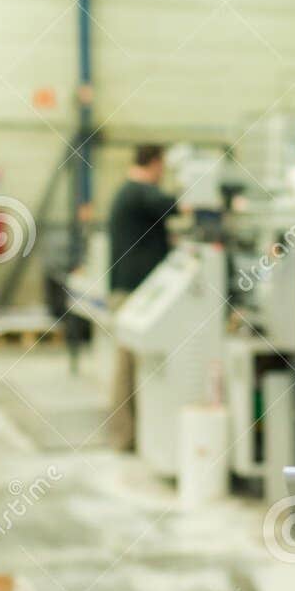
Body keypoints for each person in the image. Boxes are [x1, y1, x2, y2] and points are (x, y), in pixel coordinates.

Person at [106, 144, 177, 451]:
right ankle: (123, 437)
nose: (164, 174)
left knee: (130, 365)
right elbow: (171, 205)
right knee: (127, 364)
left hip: (132, 292)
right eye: (163, 166)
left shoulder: (128, 193)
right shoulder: (137, 192)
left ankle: (133, 436)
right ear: (155, 163)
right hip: (132, 293)